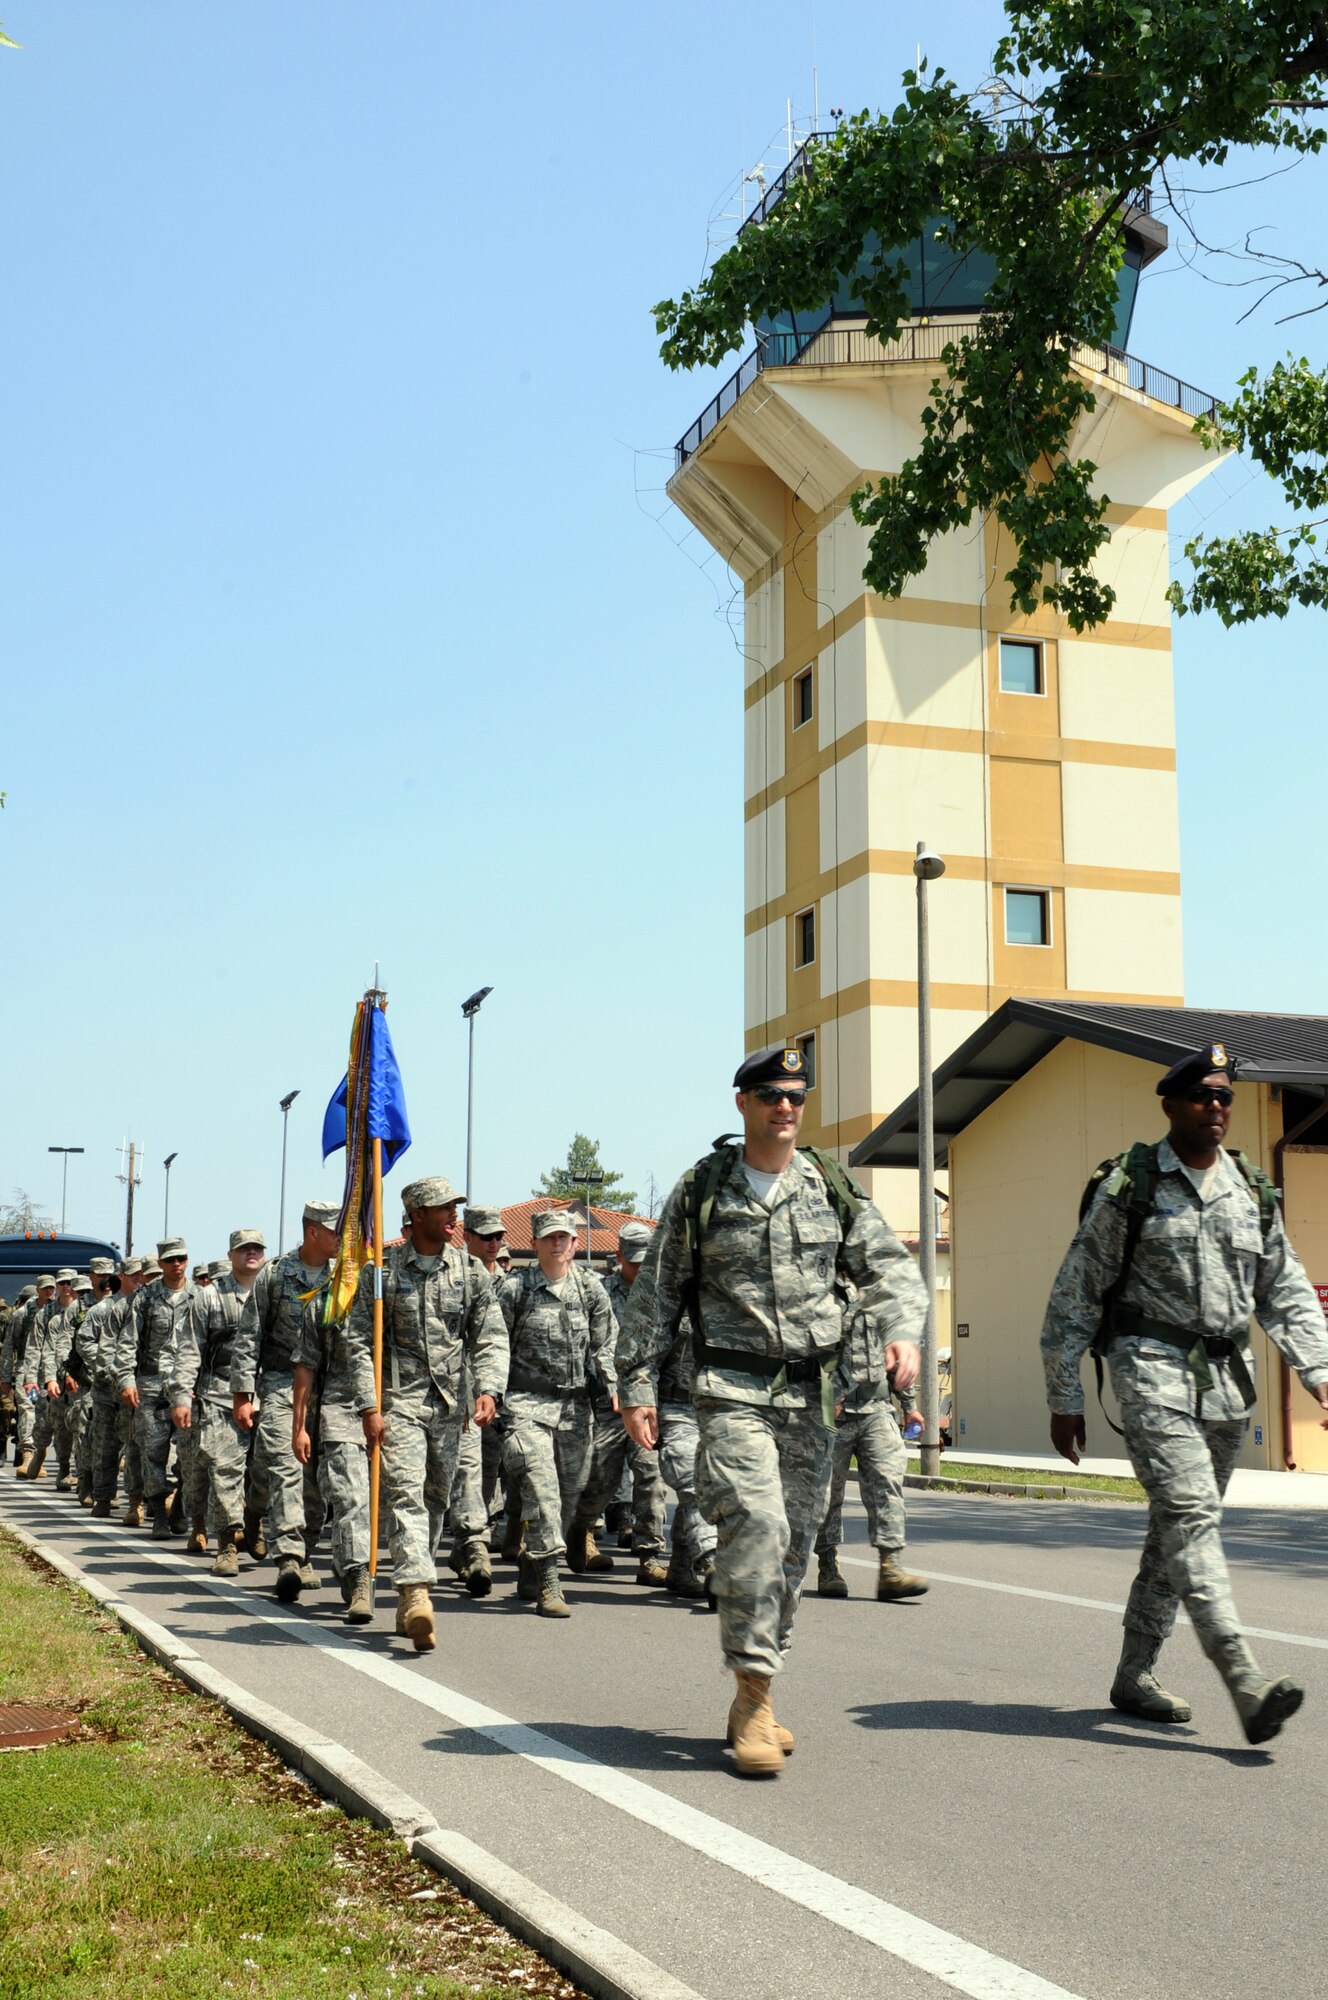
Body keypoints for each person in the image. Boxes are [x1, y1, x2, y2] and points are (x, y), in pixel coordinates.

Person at [617, 1044, 927, 1776]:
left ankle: (759, 1685)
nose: (784, 1107)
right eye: (768, 1095)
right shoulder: (705, 1189)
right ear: (742, 1104)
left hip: (814, 1398)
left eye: (795, 1095)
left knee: (790, 1551)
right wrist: (637, 1386)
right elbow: (656, 1294)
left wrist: (902, 1328)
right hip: (730, 1391)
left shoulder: (828, 1185)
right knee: (755, 1525)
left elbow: (886, 1266)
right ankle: (753, 1694)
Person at [1042, 1044, 1328, 1745]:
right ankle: (1245, 1678)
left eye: (1226, 1096)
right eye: (1202, 1096)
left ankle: (1133, 1674)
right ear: (1170, 1104)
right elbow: (1076, 1294)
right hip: (1150, 1372)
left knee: (1172, 1536)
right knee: (1193, 1516)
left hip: (1227, 1388)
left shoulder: (1253, 1192)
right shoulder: (1133, 1186)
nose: (1217, 1107)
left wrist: (1321, 1374)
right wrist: (1064, 1395)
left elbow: (1285, 1293)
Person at [339, 1175, 508, 1651]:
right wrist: (370, 1405)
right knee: (406, 1496)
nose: (453, 1215)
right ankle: (416, 1592)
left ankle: (410, 1593)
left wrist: (489, 1388)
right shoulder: (384, 1271)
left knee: (436, 1500)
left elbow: (490, 1335)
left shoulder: (470, 1271)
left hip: (452, 1405)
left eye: (453, 1206)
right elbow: (358, 1342)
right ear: (416, 1216)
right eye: (442, 1208)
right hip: (401, 1402)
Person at [496, 1210, 616, 1618]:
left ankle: (533, 1563)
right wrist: (489, 1394)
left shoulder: (590, 1289)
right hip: (526, 1406)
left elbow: (606, 1346)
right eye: (549, 1237)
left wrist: (616, 1388)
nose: (557, 1244)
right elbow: (495, 1346)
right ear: (535, 1243)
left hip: (576, 1409)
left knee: (567, 1498)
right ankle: (550, 1580)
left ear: (576, 1243)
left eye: (564, 1237)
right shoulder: (516, 1289)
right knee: (542, 1490)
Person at [231, 1200, 340, 1602]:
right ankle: (289, 1557)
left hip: (329, 1388)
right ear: (313, 1231)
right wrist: (244, 1394)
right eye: (333, 1230)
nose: (340, 1237)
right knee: (286, 1465)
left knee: (316, 1479)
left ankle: (306, 1546)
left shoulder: (345, 1276)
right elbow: (250, 1335)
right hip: (279, 1383)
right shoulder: (276, 1275)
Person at [566, 1219, 667, 1585]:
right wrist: (612, 1387)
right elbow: (596, 1346)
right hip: (607, 1403)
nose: (642, 1268)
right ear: (620, 1255)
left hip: (649, 1404)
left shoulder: (662, 1298)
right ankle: (584, 1532)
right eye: (635, 1261)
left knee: (650, 1476)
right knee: (599, 1479)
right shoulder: (600, 1293)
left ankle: (649, 1555)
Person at [814, 1281, 929, 1601]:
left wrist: (909, 1407)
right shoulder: (821, 1288)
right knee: (826, 1493)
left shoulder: (881, 1292)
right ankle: (828, 1565)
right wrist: (820, 1395)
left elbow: (894, 1352)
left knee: (887, 1479)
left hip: (877, 1409)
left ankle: (890, 1568)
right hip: (832, 1411)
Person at [169, 1229, 268, 1577]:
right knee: (225, 1470)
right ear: (231, 1255)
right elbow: (189, 1349)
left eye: (257, 1248)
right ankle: (226, 1544)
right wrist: (182, 1395)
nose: (251, 1254)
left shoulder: (275, 1291)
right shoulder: (209, 1297)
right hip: (219, 1396)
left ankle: (253, 1522)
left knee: (266, 1473)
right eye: (244, 1249)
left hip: (269, 1396)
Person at [115, 1240, 197, 1538]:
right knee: (153, 1453)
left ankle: (179, 1507)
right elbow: (128, 1342)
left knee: (189, 1454)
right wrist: (126, 1379)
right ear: (161, 1264)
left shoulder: (199, 1297)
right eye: (170, 1259)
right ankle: (159, 1513)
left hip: (188, 1388)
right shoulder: (145, 1298)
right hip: (150, 1387)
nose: (177, 1264)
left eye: (181, 1258)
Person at [446, 1205, 508, 1589]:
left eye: (499, 1237)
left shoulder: (510, 1283)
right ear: (466, 1236)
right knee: (464, 1472)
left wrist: (496, 1389)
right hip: (453, 1395)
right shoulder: (456, 1276)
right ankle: (469, 1542)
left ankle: (473, 1541)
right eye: (486, 1237)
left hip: (493, 1393)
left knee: (485, 1471)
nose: (494, 1244)